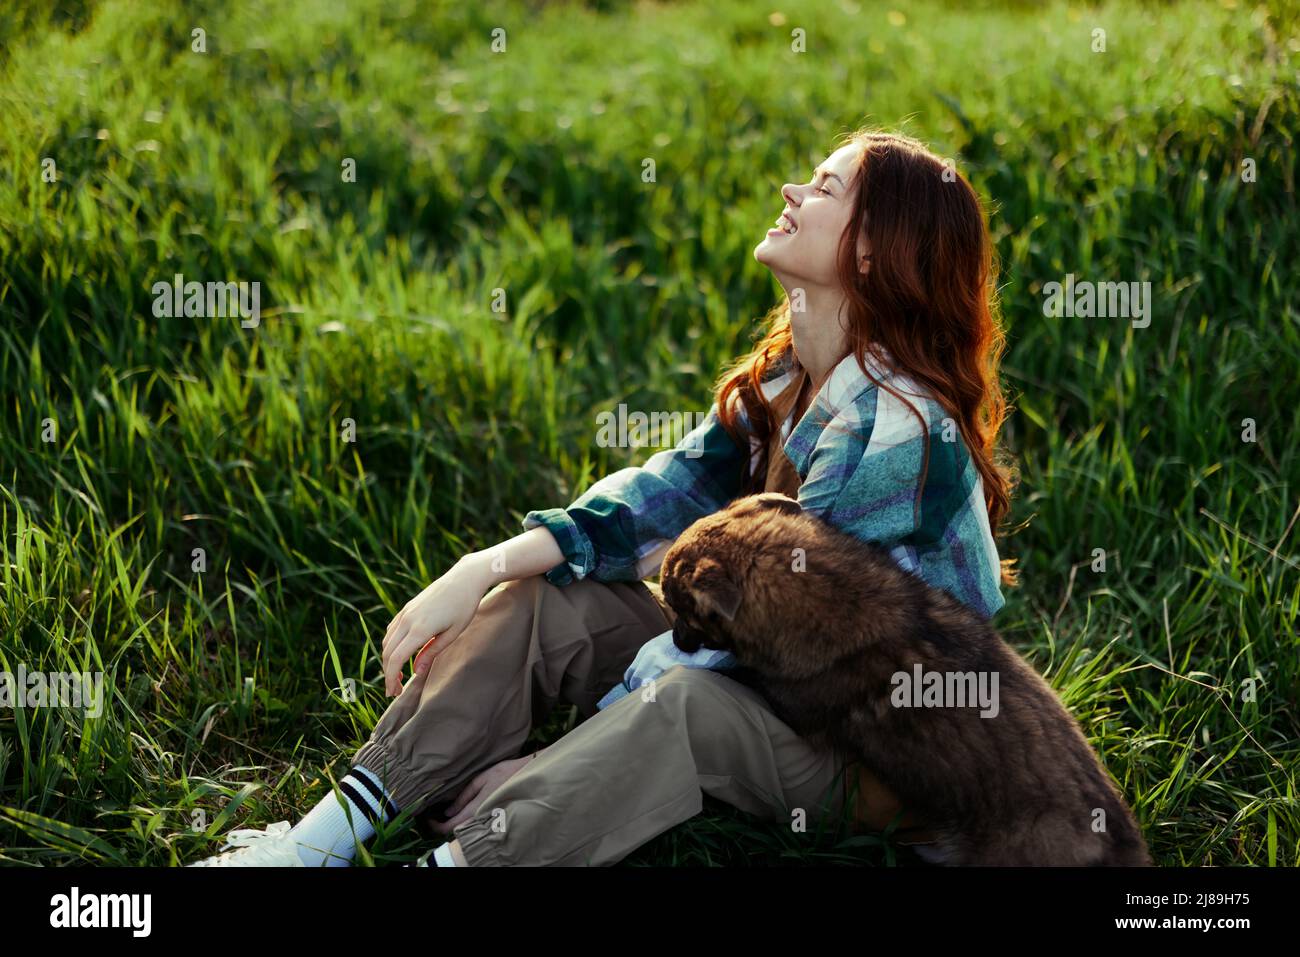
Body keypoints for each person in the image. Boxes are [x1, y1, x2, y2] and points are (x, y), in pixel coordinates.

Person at [190, 129, 1018, 867]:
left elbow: (794, 633)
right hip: (771, 677)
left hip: (867, 754)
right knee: (545, 603)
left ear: (874, 251)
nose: (791, 194)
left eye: (826, 188)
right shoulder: (790, 375)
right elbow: (665, 494)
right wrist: (486, 566)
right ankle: (314, 845)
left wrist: (574, 753)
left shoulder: (898, 426)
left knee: (680, 703)